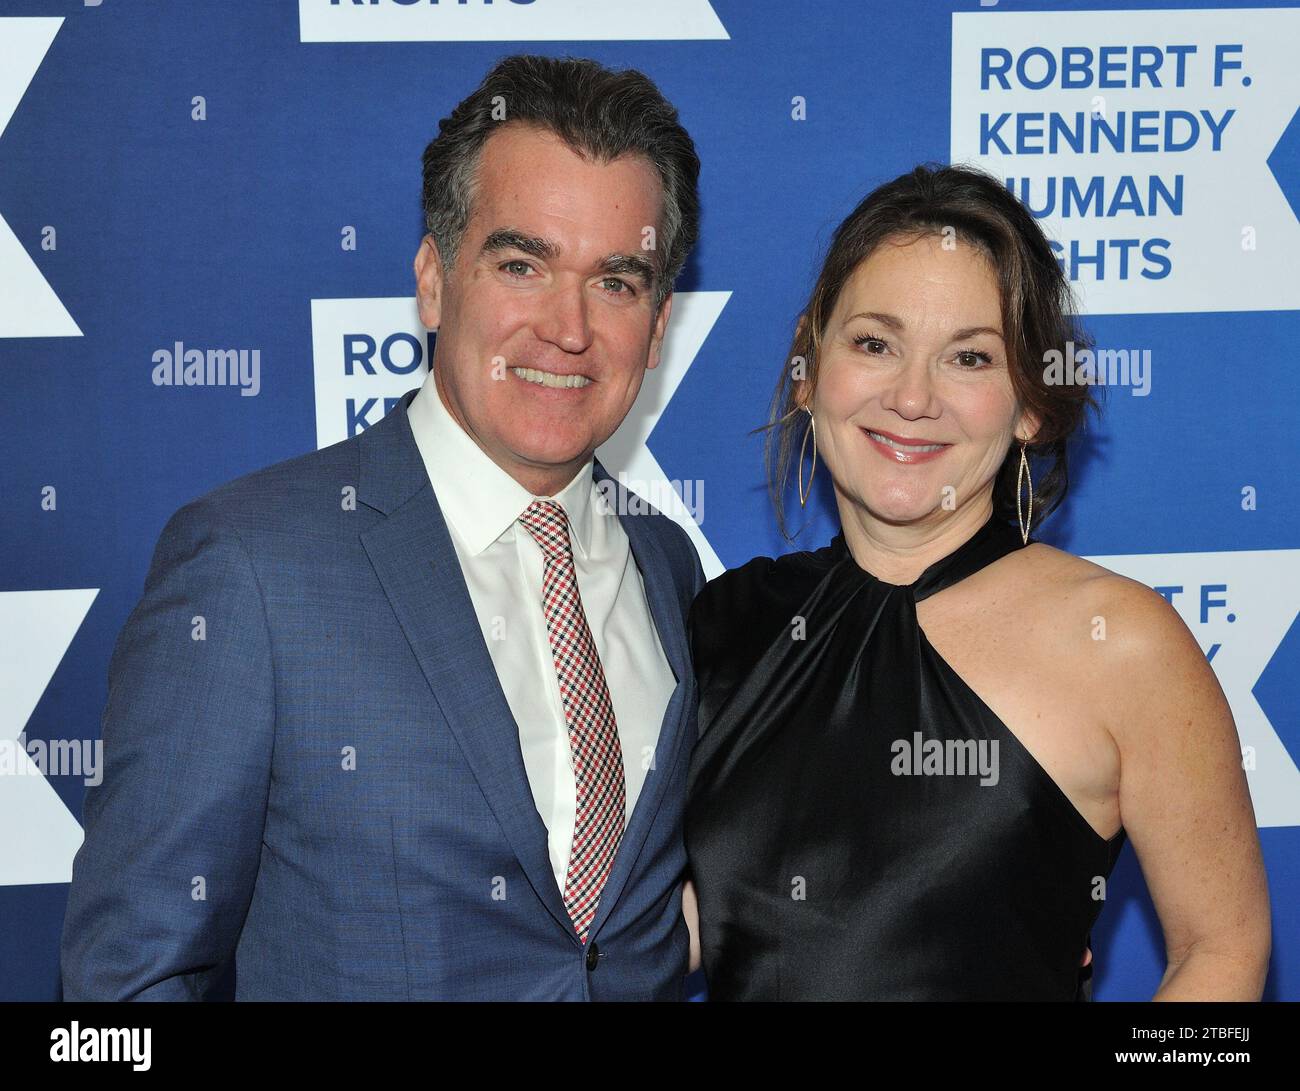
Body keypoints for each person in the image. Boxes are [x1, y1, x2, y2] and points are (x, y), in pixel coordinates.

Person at [61, 54, 705, 1001]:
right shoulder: (250, 567)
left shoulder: (668, 564)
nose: (568, 328)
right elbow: (127, 988)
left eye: (616, 281)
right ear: (435, 281)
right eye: (522, 264)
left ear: (656, 329)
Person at [681, 163, 1271, 1001]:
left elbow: (1223, 951)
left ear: (1030, 401)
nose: (913, 397)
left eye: (968, 357)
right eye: (874, 343)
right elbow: (675, 928)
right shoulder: (726, 624)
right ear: (811, 369)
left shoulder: (1122, 643)